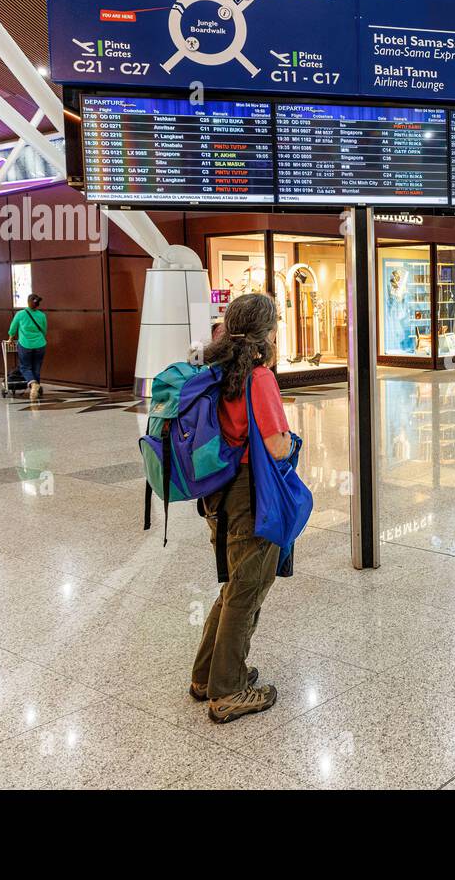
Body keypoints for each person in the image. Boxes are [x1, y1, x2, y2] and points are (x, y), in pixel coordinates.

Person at [191, 292, 292, 724]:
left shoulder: (217, 369)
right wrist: (290, 439)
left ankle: (206, 676)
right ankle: (228, 691)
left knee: (234, 583)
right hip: (253, 494)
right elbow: (277, 445)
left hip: (218, 491)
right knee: (247, 587)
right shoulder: (259, 376)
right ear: (267, 332)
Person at [8, 294, 48, 400]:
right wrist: (39, 339)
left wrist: (11, 339)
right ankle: (36, 392)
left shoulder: (20, 314)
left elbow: (13, 328)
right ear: (37, 304)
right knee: (37, 368)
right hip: (40, 344)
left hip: (25, 345)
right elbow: (44, 330)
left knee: (25, 367)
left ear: (28, 302)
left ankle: (33, 384)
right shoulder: (42, 315)